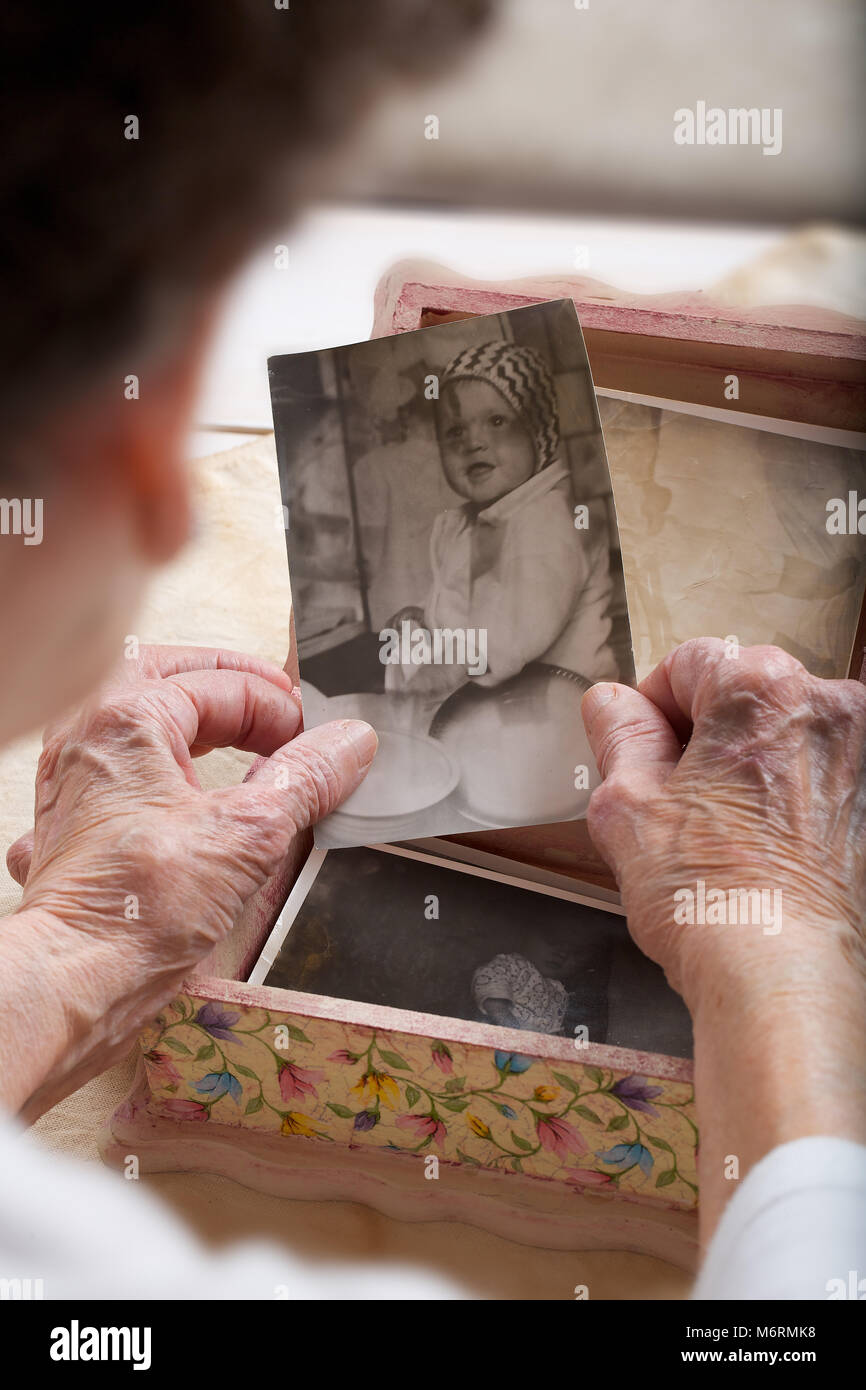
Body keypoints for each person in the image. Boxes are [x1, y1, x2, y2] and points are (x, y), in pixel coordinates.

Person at [0, 2, 863, 1302]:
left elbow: (518, 622)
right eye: (449, 433)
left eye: (484, 433)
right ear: (147, 432)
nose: (467, 452)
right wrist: (787, 950)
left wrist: (65, 950)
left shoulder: (528, 531)